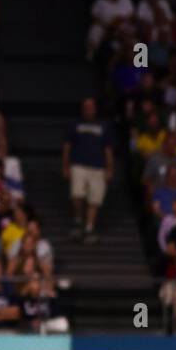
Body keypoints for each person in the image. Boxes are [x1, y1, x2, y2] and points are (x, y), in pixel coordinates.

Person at [63, 97, 113, 243]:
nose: (88, 109)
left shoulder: (104, 126)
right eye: (85, 106)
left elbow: (108, 149)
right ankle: (78, 220)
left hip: (98, 168)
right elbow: (67, 146)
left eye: (91, 106)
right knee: (77, 194)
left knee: (94, 200)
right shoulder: (74, 125)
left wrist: (110, 168)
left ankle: (89, 228)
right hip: (78, 165)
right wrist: (65, 165)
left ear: (95, 109)